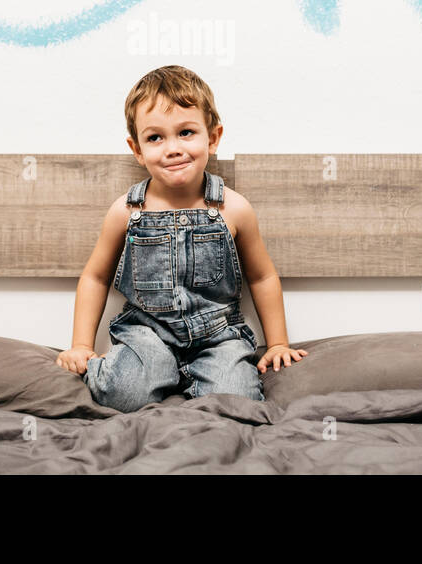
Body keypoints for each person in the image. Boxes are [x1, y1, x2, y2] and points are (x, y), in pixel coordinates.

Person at [55, 65, 308, 411]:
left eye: (186, 132)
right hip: (147, 334)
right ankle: (153, 371)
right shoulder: (127, 211)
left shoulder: (233, 208)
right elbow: (95, 277)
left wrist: (278, 342)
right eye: (155, 137)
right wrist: (81, 345)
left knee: (236, 402)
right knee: (123, 394)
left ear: (213, 137)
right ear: (137, 149)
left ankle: (199, 377)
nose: (172, 148)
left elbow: (262, 276)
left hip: (218, 336)